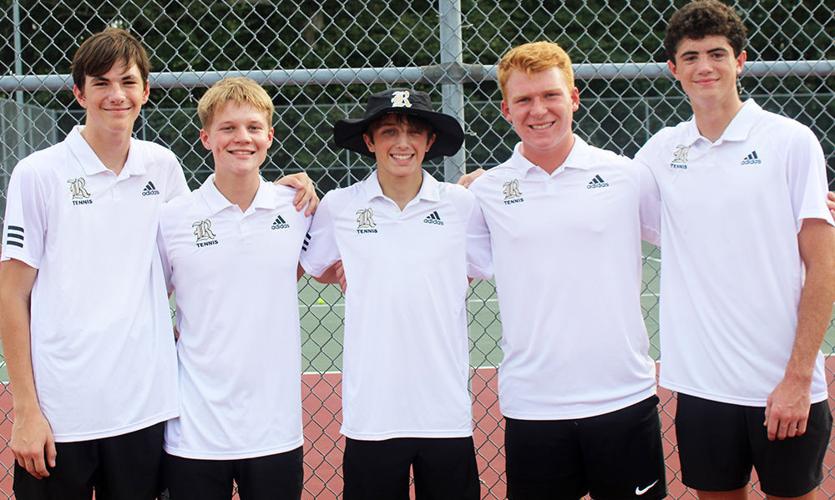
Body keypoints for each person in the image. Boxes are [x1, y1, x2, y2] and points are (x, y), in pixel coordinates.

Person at [0, 29, 315, 499]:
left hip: (145, 412)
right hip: (63, 410)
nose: (116, 95)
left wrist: (281, 190)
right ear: (79, 92)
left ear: (145, 91)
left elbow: (201, 247)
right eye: (101, 83)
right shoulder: (39, 173)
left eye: (127, 82)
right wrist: (26, 408)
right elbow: (11, 292)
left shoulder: (162, 167)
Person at [634, 1, 835, 498]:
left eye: (717, 54)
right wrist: (495, 178)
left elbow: (824, 262)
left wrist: (797, 378)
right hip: (703, 388)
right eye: (692, 56)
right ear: (673, 69)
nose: (705, 67)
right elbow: (594, 193)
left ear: (740, 61)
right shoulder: (661, 150)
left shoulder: (790, 141)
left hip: (783, 386)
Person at [461, 41, 667, 499]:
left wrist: (791, 214)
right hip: (534, 404)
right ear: (506, 110)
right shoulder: (485, 192)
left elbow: (697, 235)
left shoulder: (626, 175)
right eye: (524, 100)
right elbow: (444, 268)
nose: (539, 110)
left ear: (573, 98)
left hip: (623, 398)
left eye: (550, 95)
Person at [300, 88, 491, 499]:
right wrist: (353, 274)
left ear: (430, 141)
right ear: (369, 142)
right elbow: (317, 266)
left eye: (413, 132)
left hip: (444, 411)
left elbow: (477, 265)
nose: (402, 143)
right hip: (373, 412)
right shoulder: (340, 205)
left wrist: (437, 276)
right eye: (388, 132)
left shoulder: (460, 204)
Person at [157, 77, 312, 500]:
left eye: (252, 128)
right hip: (194, 431)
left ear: (269, 137)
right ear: (206, 137)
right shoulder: (173, 218)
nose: (241, 138)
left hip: (274, 430)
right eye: (227, 128)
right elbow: (148, 301)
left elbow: (312, 269)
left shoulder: (298, 209)